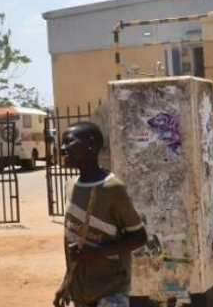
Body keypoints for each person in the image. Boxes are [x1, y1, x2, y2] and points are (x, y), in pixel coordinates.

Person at [53, 122, 147, 307]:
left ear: (91, 144)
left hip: (110, 290)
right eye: (62, 143)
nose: (63, 149)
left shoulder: (112, 188)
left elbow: (139, 237)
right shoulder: (71, 186)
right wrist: (66, 283)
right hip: (81, 291)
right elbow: (74, 244)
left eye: (69, 142)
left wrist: (96, 253)